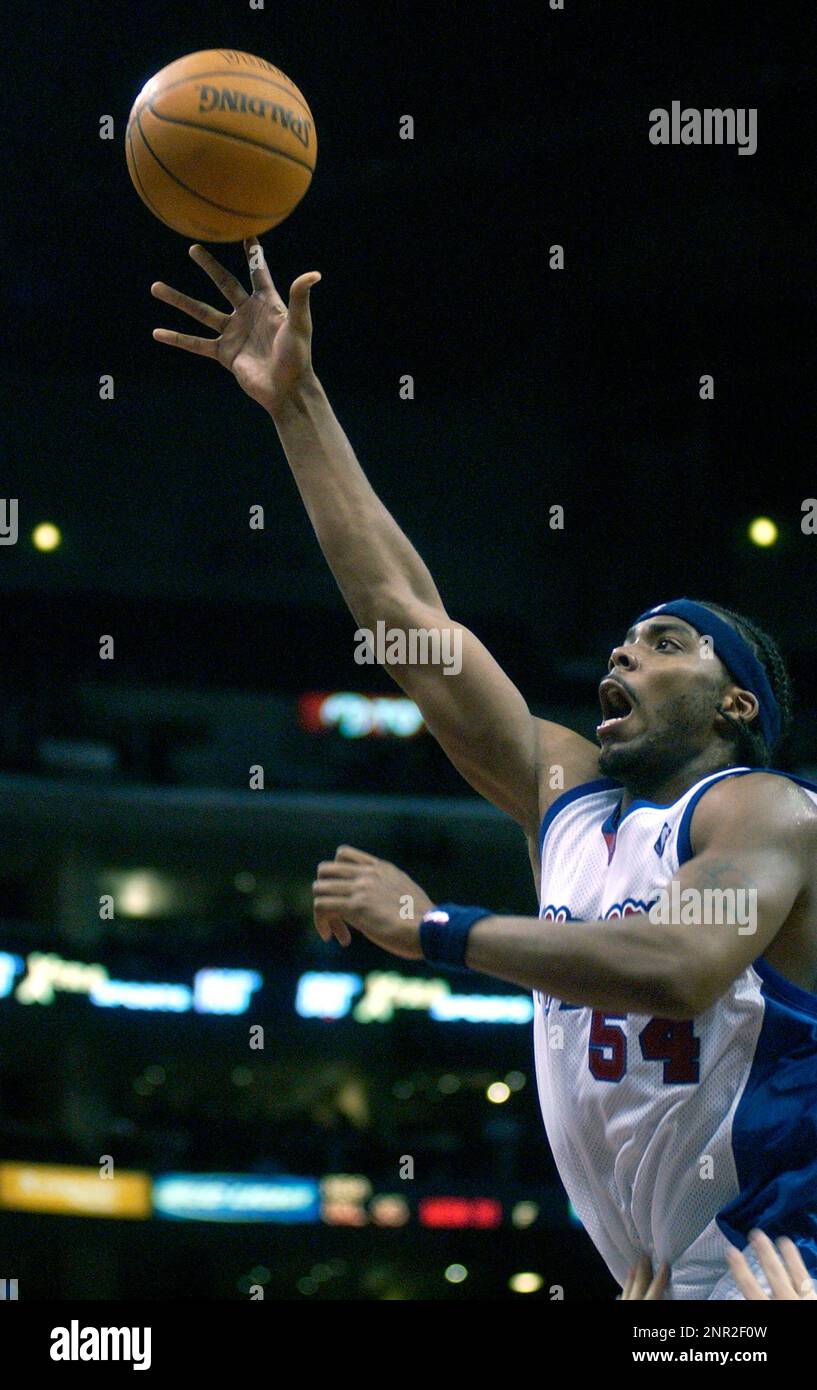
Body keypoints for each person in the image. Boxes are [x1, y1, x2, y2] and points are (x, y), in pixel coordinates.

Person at [151, 239, 817, 1301]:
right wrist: (297, 406)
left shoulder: (766, 810)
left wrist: (432, 928)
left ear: (736, 703)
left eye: (663, 642)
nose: (620, 652)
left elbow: (683, 962)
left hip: (774, 1265)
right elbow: (406, 618)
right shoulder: (566, 798)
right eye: (621, 639)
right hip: (660, 1282)